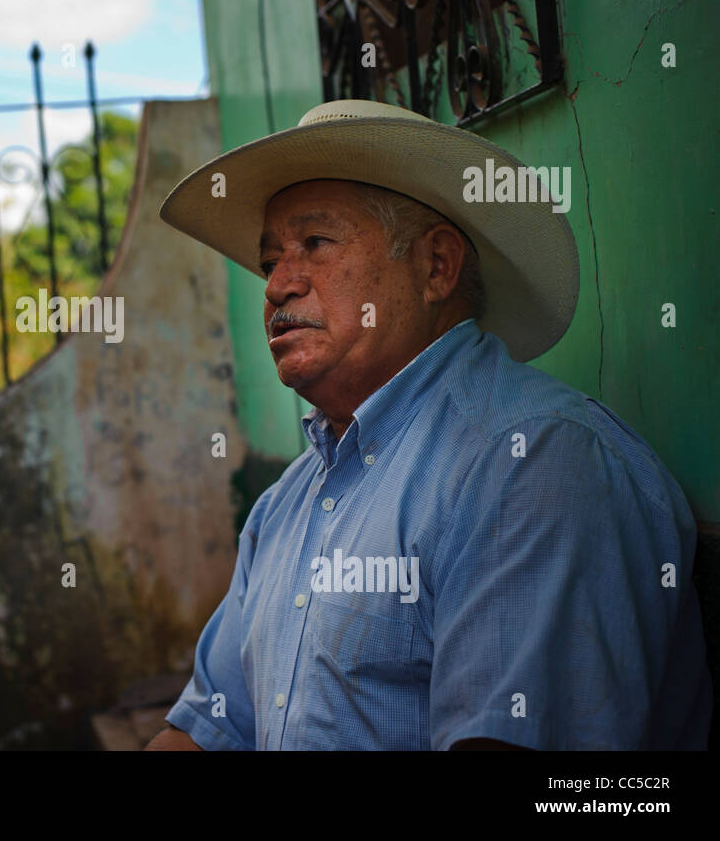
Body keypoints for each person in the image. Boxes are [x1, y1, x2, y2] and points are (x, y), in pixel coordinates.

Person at [146, 99, 711, 750]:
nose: (276, 285)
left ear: (435, 267)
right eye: (272, 258)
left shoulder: (533, 461)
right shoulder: (283, 506)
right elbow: (210, 726)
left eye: (315, 243)